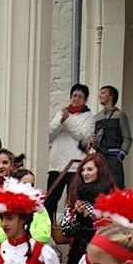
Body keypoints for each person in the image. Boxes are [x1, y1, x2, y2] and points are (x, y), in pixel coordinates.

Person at [56, 154, 114, 264]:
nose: (85, 173)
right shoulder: (75, 195)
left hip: (102, 250)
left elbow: (113, 227)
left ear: (99, 171)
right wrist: (79, 217)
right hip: (79, 249)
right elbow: (66, 229)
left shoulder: (110, 196)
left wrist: (91, 217)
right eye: (82, 170)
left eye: (89, 169)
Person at [46, 84, 94, 216]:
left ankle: (70, 227)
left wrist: (67, 120)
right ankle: (47, 227)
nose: (76, 99)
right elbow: (49, 133)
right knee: (50, 200)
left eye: (80, 97)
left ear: (85, 100)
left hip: (74, 166)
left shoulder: (89, 117)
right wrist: (60, 121)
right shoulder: (61, 113)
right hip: (56, 165)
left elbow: (84, 137)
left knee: (72, 202)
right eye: (74, 96)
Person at [92, 85, 132, 188]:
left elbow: (127, 137)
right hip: (99, 157)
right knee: (99, 187)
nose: (100, 96)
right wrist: (92, 141)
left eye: (103, 93)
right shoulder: (97, 117)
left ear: (111, 95)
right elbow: (93, 137)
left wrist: (121, 154)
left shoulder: (120, 115)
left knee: (116, 186)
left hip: (113, 157)